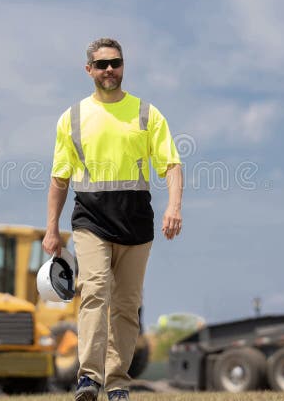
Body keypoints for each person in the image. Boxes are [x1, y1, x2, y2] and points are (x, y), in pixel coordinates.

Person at [42, 38, 184, 401]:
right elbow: (59, 178)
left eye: (115, 63)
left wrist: (174, 207)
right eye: (102, 64)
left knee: (126, 305)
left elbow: (171, 164)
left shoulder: (147, 114)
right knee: (94, 291)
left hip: (136, 223)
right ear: (88, 69)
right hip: (90, 220)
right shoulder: (71, 119)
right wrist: (52, 229)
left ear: (123, 66)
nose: (109, 70)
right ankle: (89, 378)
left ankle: (117, 382)